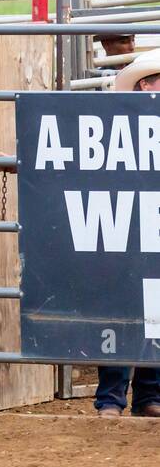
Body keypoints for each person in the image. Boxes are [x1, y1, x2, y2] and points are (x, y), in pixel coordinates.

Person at [95, 48, 160, 418]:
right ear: (145, 85)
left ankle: (146, 394)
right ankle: (112, 396)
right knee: (122, 305)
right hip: (121, 225)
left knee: (154, 309)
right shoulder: (113, 123)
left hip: (146, 223)